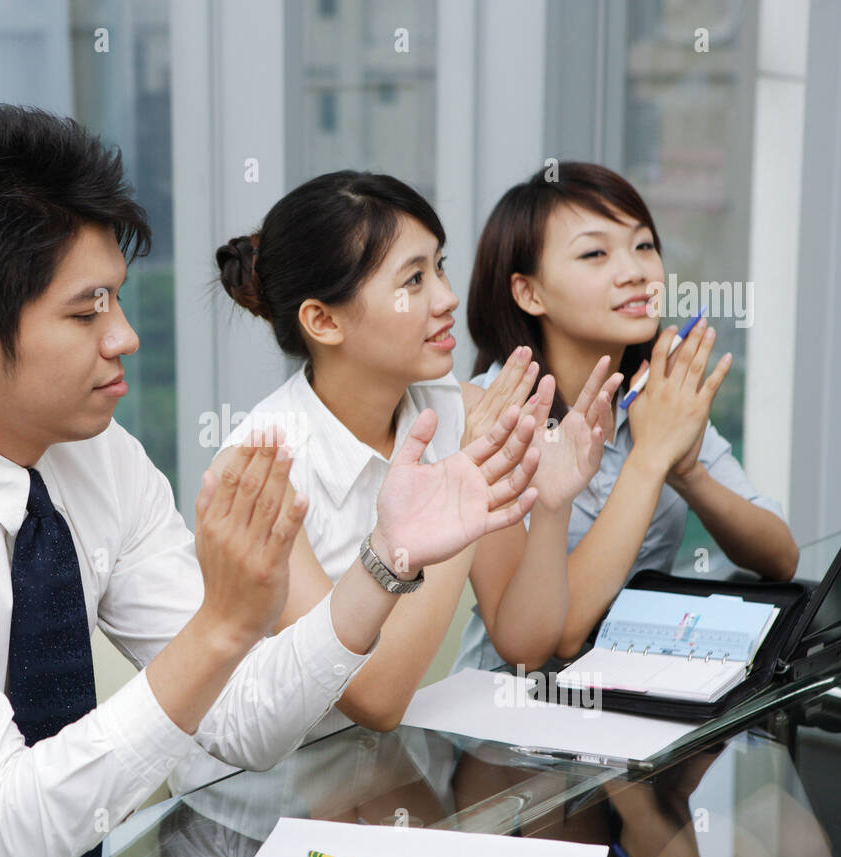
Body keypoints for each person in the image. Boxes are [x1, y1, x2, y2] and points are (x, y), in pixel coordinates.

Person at [0, 105, 536, 857]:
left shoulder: (99, 456)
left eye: (119, 301)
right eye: (87, 312)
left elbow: (239, 725)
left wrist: (384, 564)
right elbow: (5, 828)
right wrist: (224, 626)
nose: (124, 337)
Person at [167, 170, 622, 799]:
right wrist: (463, 481)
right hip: (245, 804)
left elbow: (523, 640)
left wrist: (552, 504)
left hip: (376, 781)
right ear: (323, 321)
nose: (444, 298)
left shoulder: (452, 408)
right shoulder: (258, 468)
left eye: (440, 266)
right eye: (413, 279)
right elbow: (374, 697)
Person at [452, 161, 799, 673]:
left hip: (635, 693)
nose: (636, 271)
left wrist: (688, 472)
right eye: (595, 253)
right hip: (510, 720)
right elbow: (556, 638)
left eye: (643, 246)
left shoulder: (654, 397)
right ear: (529, 293)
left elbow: (780, 557)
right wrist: (651, 457)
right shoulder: (488, 418)